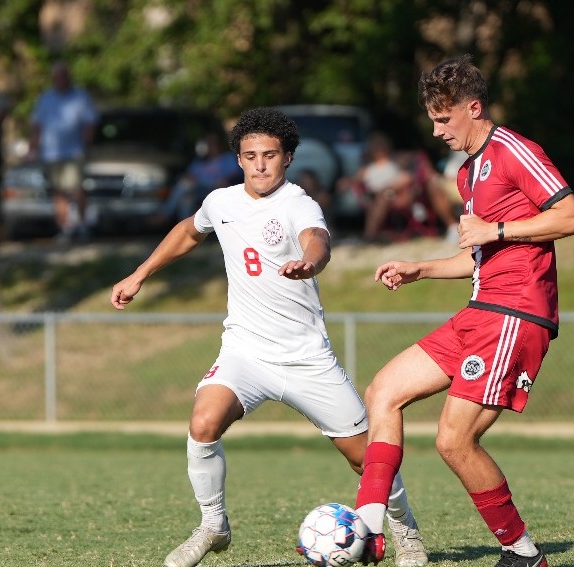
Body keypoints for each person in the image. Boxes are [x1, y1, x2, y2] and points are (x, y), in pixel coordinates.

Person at [110, 107, 428, 567]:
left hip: (305, 357)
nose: (260, 165)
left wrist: (310, 262)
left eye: (270, 155)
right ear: (238, 159)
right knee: (203, 424)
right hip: (245, 351)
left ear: (288, 158)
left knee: (368, 459)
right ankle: (213, 526)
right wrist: (140, 274)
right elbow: (188, 231)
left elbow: (318, 240)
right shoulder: (221, 202)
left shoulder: (298, 202)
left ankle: (408, 535)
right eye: (250, 155)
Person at [352, 54, 574, 567]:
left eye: (443, 118)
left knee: (455, 440)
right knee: (383, 391)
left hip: (516, 313)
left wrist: (495, 231)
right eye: (432, 120)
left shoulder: (513, 151)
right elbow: (476, 258)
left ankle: (523, 553)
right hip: (481, 308)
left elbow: (571, 216)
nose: (436, 130)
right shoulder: (468, 174)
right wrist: (421, 268)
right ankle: (367, 527)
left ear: (473, 107)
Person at [29, 60, 98, 243]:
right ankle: (65, 227)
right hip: (51, 153)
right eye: (57, 77)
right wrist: (33, 147)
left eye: (63, 76)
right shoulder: (45, 98)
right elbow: (37, 125)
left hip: (74, 152)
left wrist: (85, 145)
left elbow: (90, 123)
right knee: (58, 191)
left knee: (77, 188)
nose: (60, 80)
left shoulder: (80, 97)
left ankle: (82, 225)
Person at [156, 131, 241, 225]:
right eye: (208, 143)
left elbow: (235, 174)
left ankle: (165, 213)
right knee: (186, 198)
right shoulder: (199, 161)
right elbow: (188, 175)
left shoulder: (227, 158)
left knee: (185, 185)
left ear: (219, 144)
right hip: (198, 189)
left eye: (213, 143)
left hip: (217, 186)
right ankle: (186, 228)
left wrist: (225, 180)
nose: (210, 146)